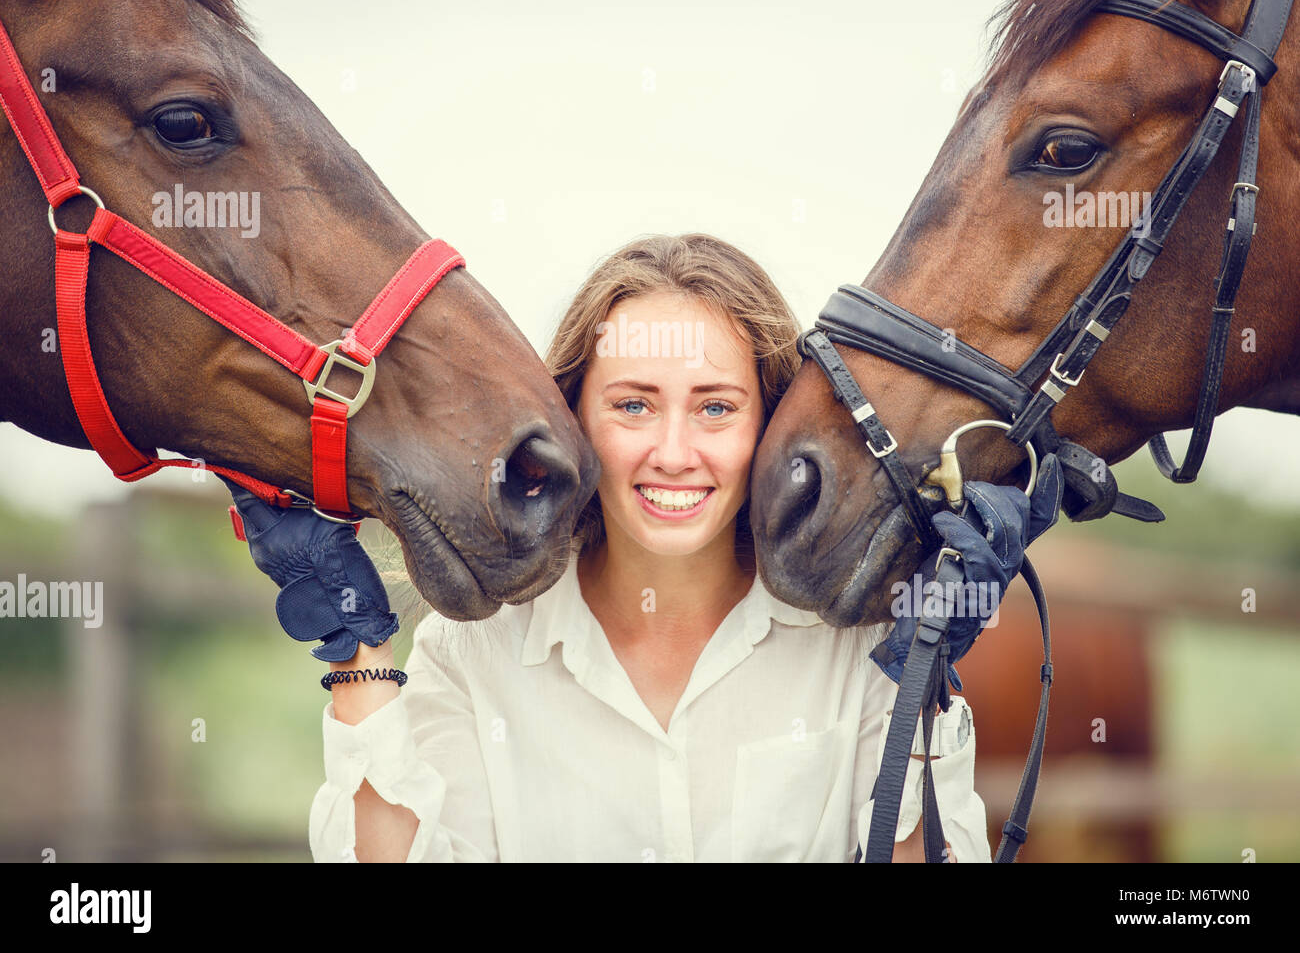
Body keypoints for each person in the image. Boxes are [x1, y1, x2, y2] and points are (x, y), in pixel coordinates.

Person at [224, 233, 1062, 862]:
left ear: (769, 422)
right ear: (573, 417)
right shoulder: (479, 651)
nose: (672, 451)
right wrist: (358, 655)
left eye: (715, 407)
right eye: (632, 406)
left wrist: (926, 681)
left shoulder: (860, 652)